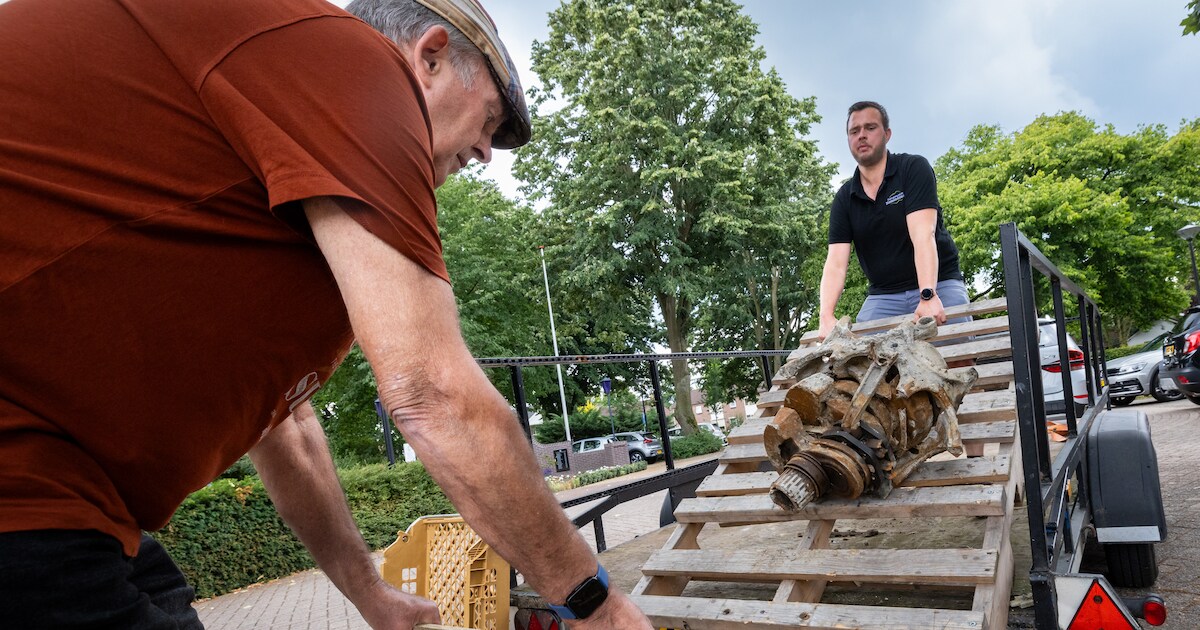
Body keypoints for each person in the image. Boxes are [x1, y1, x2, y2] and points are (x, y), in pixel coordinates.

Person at [0, 0, 652, 628]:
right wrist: (593, 602)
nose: (485, 153)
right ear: (428, 57)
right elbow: (433, 393)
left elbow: (289, 430)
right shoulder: (353, 63)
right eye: (487, 120)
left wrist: (369, 592)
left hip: (78, 502)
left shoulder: (285, 191)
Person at [817, 101, 971, 339]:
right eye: (854, 131)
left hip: (939, 283)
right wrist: (826, 316)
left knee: (958, 355)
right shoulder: (844, 198)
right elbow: (836, 263)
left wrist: (928, 295)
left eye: (870, 128)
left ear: (887, 134)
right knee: (867, 361)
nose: (862, 136)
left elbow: (923, 236)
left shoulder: (912, 168)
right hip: (884, 295)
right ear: (848, 139)